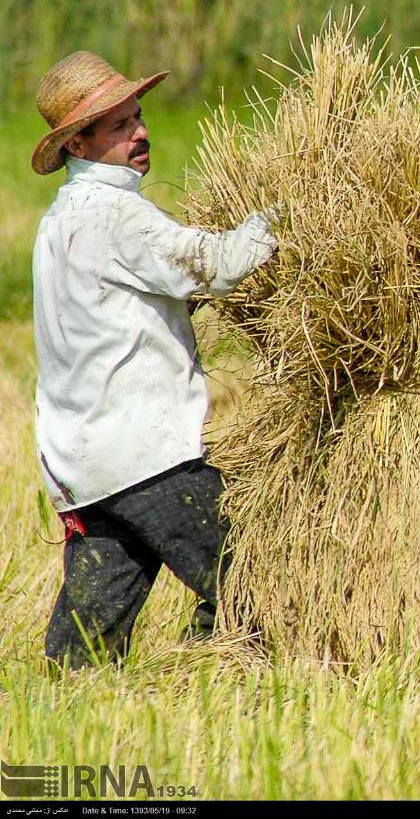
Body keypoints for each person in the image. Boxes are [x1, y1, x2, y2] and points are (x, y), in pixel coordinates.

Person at [30, 50, 278, 669]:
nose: (140, 133)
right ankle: (222, 678)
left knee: (80, 659)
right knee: (260, 581)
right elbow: (216, 265)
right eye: (119, 126)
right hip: (149, 458)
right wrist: (285, 216)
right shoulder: (114, 213)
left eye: (138, 118)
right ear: (79, 145)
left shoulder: (59, 222)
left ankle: (74, 725)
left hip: (85, 469)